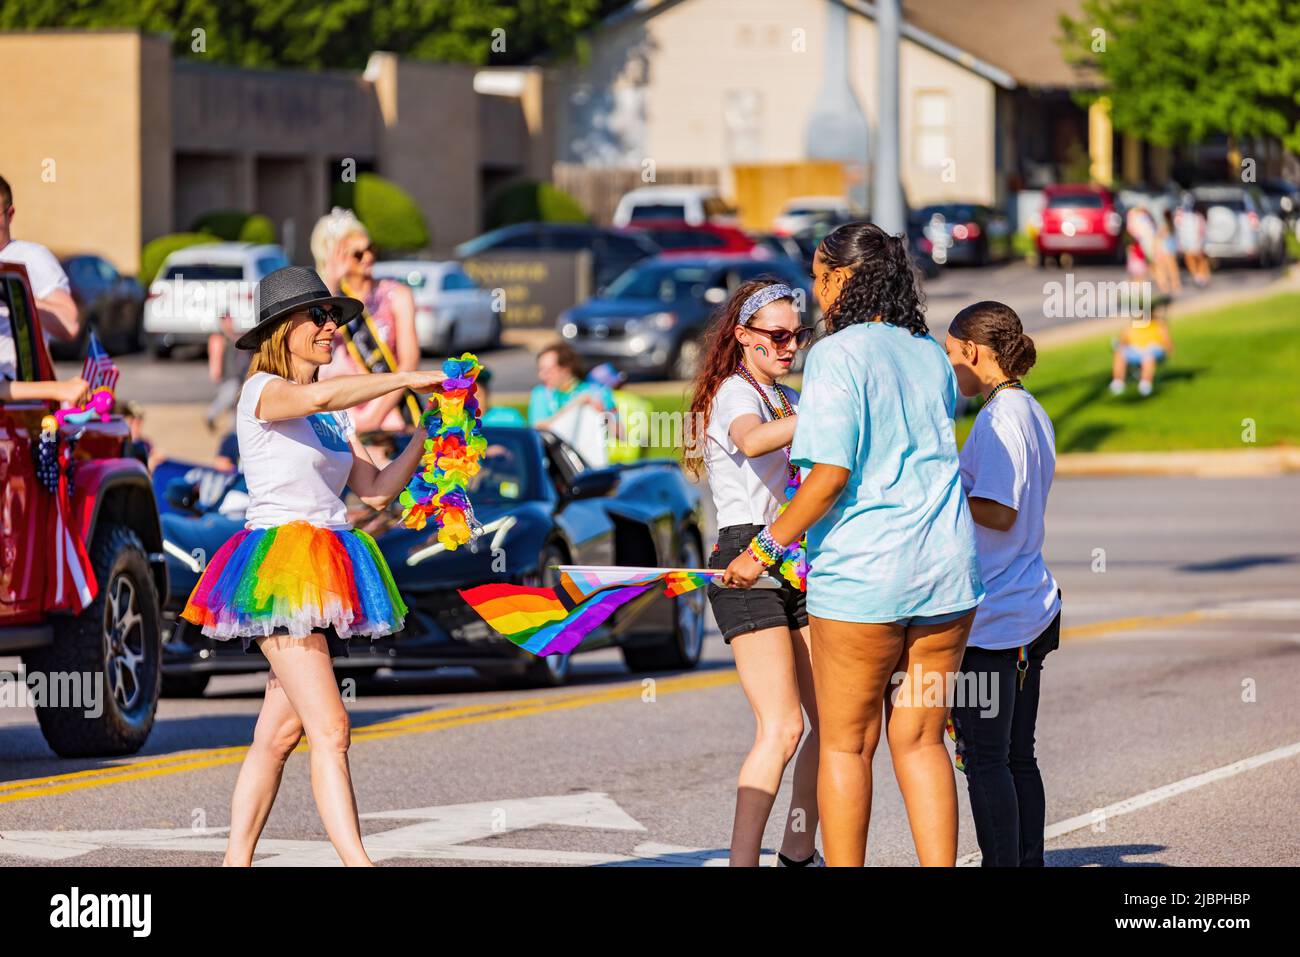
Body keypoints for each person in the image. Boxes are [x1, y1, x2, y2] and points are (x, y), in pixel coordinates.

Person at [722, 222, 984, 867]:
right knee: (921, 742)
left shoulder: (837, 356)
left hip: (868, 578)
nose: (815, 291)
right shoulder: (926, 351)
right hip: (948, 572)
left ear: (843, 277)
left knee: (845, 746)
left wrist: (762, 551)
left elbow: (830, 476)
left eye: (818, 276)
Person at [179, 266, 447, 866]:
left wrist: (428, 433)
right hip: (278, 569)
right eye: (320, 317)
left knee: (276, 737)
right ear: (283, 328)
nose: (332, 327)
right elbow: (321, 393)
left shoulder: (335, 416)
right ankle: (359, 864)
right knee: (332, 729)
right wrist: (409, 380)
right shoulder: (261, 392)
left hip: (326, 565)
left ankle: (234, 863)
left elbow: (375, 491)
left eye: (335, 318)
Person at [684, 277, 821, 867]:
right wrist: (829, 407)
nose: (790, 346)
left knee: (833, 723)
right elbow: (755, 440)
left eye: (799, 334)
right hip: (747, 557)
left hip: (796, 551)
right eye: (778, 335)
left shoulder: (783, 396)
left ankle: (797, 851)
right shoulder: (737, 395)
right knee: (783, 726)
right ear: (744, 337)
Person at [943, 301, 1061, 867]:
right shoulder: (1029, 408)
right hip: (1029, 603)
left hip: (997, 616)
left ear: (971, 350)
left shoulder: (997, 419)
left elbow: (998, 510)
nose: (949, 369)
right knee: (1017, 756)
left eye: (950, 353)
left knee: (985, 758)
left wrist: (939, 498)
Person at [312, 208, 422, 435]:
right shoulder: (324, 300)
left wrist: (373, 416)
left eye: (371, 249)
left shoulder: (396, 295)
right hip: (335, 414)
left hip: (386, 413)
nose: (369, 257)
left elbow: (408, 362)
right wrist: (331, 283)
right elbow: (310, 347)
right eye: (358, 254)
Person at [0, 174, 80, 343]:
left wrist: (14, 296)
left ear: (10, 214)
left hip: (13, 370)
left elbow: (69, 324)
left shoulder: (31, 257)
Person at [528, 342, 613, 464]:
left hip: (592, 462)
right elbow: (539, 429)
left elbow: (620, 434)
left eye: (548, 370)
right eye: (540, 370)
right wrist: (576, 405)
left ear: (566, 369)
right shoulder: (540, 394)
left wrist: (602, 412)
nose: (541, 375)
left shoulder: (597, 392)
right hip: (555, 465)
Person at [589, 362, 652, 464]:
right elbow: (646, 440)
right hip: (635, 461)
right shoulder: (642, 403)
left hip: (607, 461)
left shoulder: (597, 403)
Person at [1110, 301, 1172, 397]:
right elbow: (1123, 340)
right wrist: (1119, 345)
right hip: (1135, 351)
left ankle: (1145, 384)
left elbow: (1167, 343)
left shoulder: (1158, 324)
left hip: (1153, 350)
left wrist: (1161, 348)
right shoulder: (1132, 326)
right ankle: (1118, 382)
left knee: (1148, 356)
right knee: (1120, 353)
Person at [207, 313, 251, 431]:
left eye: (229, 320)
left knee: (235, 403)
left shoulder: (235, 336)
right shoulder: (220, 337)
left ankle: (234, 428)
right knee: (227, 398)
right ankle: (210, 415)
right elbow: (215, 357)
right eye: (226, 320)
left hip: (239, 376)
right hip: (229, 376)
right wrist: (215, 372)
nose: (229, 323)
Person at [1175, 196, 1211, 287]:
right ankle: (1198, 277)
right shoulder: (1181, 215)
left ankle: (1203, 276)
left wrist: (1201, 241)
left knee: (1199, 258)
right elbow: (1179, 229)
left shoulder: (1198, 216)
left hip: (1197, 241)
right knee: (1190, 258)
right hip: (1187, 242)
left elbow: (1202, 230)